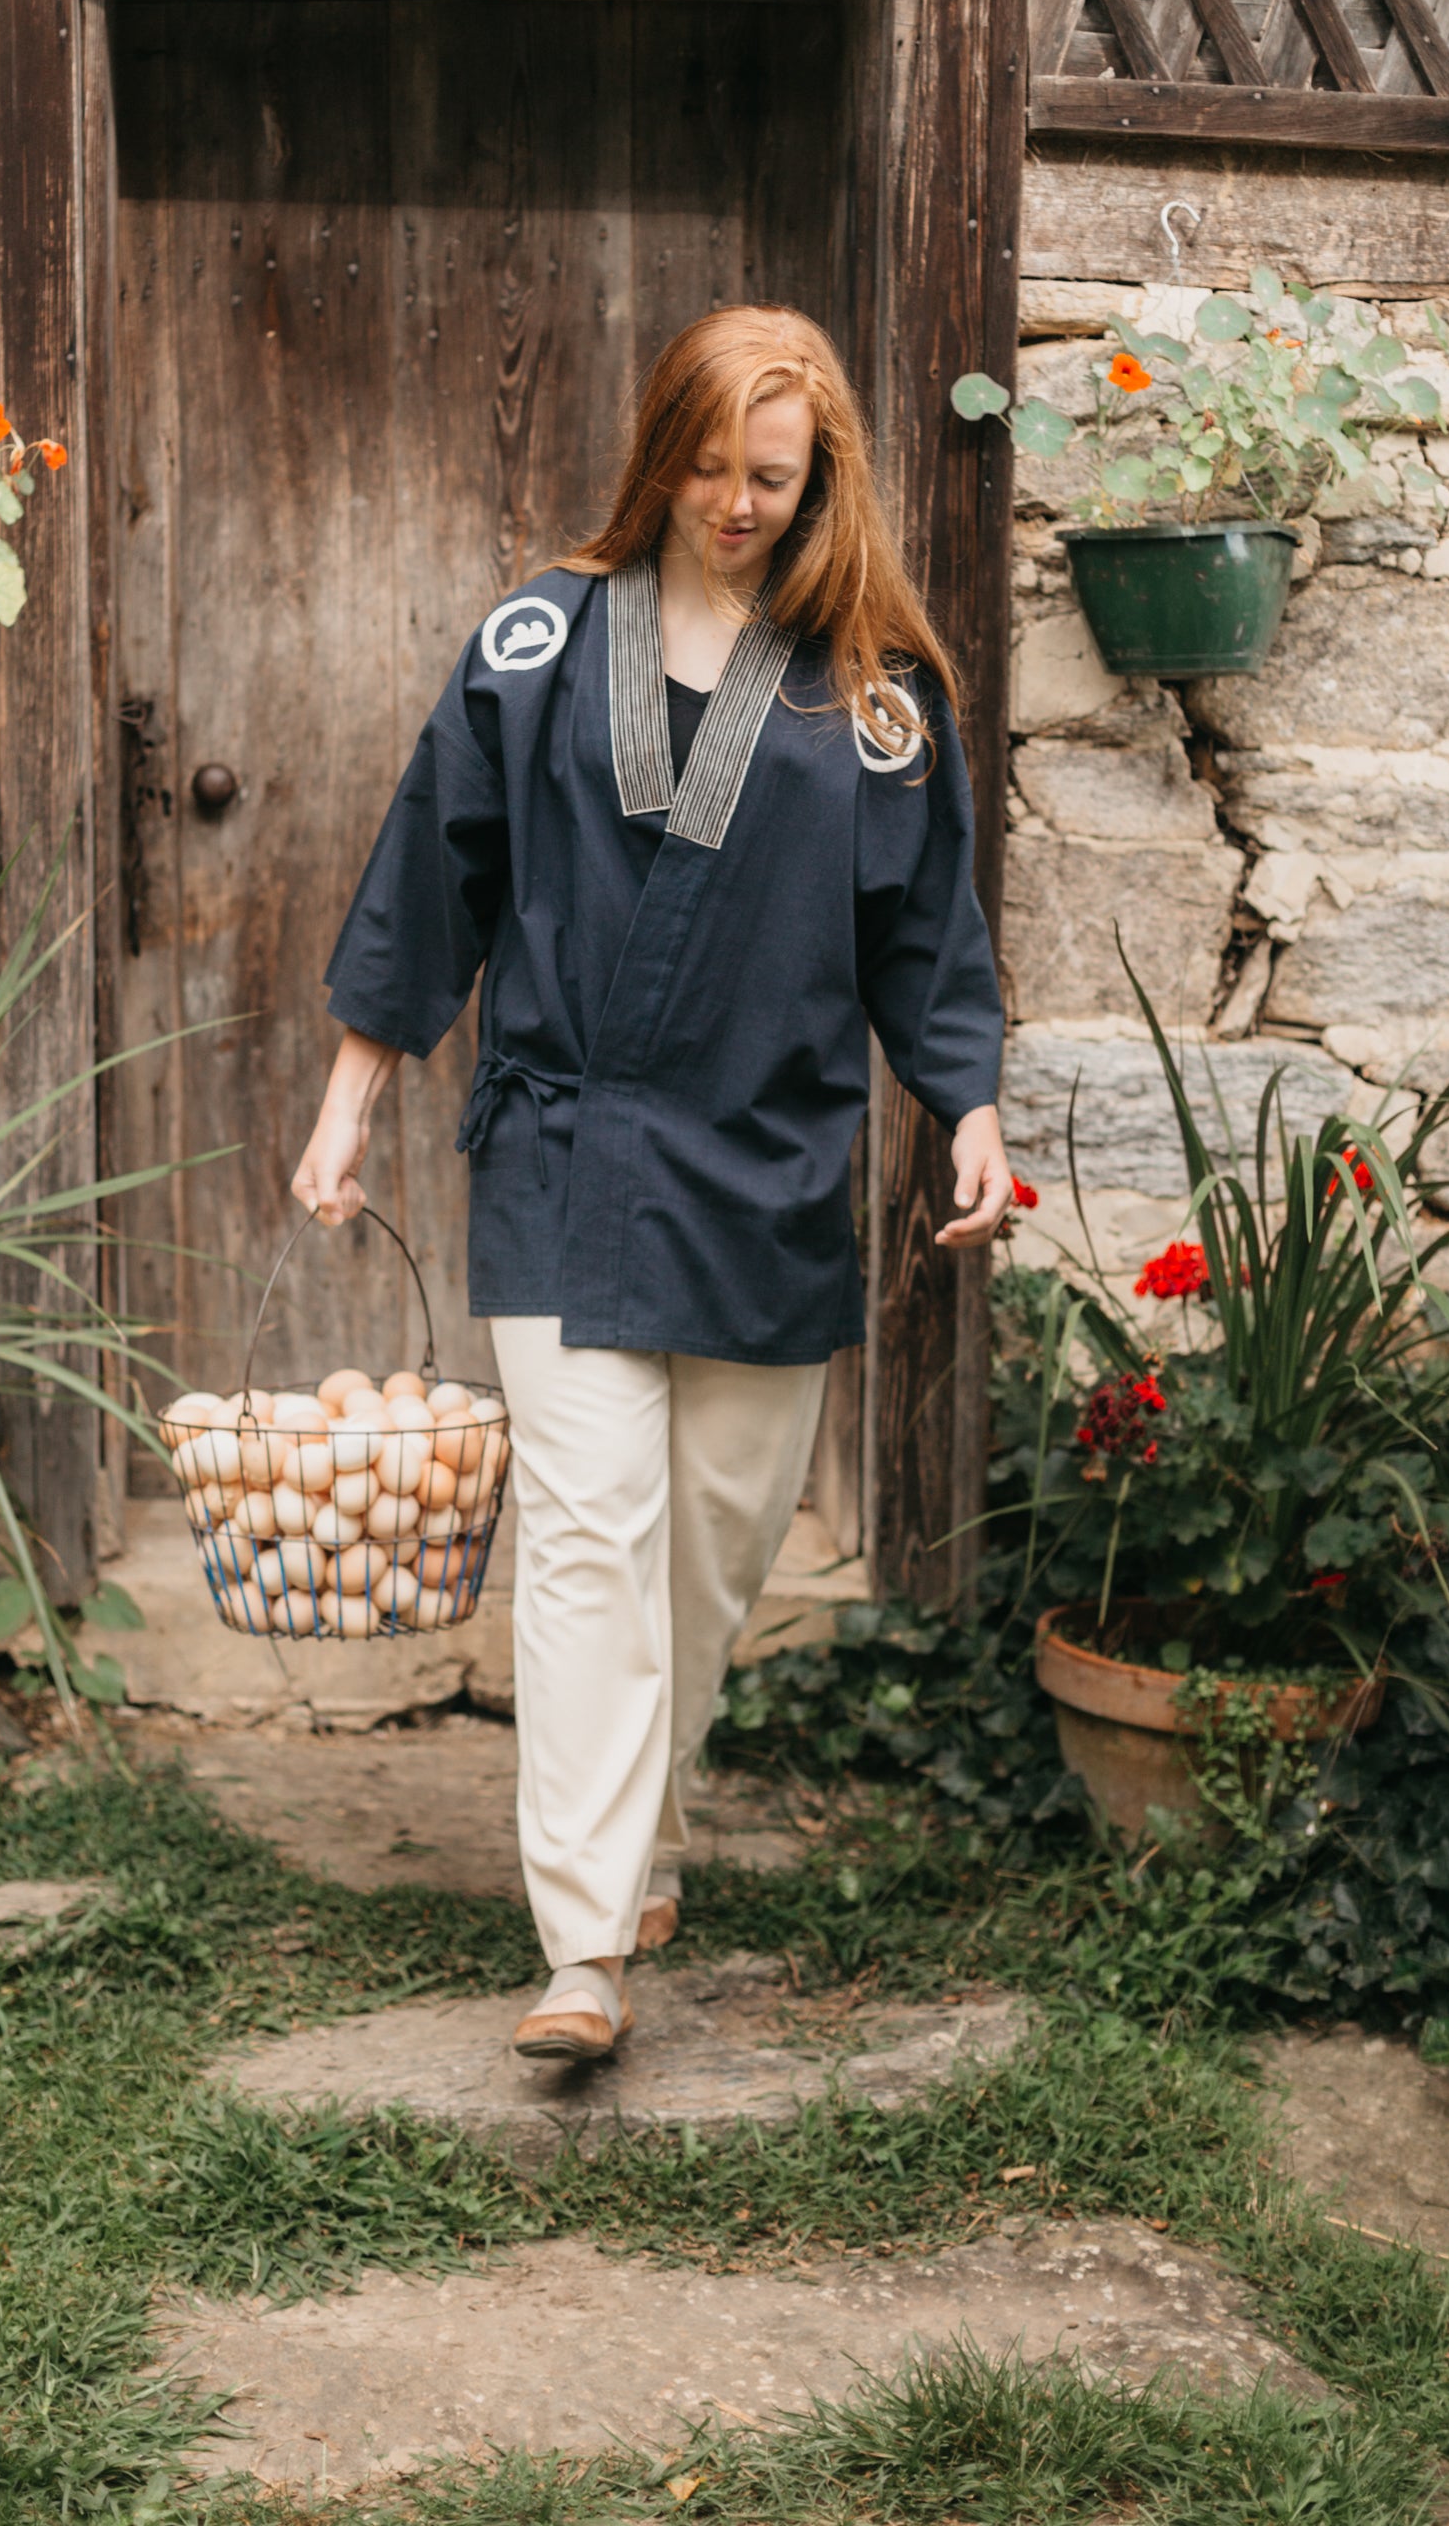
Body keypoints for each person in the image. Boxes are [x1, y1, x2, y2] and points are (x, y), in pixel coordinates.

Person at [292, 305, 1012, 2062]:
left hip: (770, 1157)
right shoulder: (539, 645)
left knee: (714, 1541)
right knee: (591, 1537)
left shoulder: (876, 703)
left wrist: (970, 1110)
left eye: (772, 476)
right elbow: (429, 874)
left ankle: (652, 1811)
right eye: (707, 466)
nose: (736, 503)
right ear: (658, 452)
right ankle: (586, 1945)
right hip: (568, 1143)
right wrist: (349, 1099)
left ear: (821, 476)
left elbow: (927, 941)